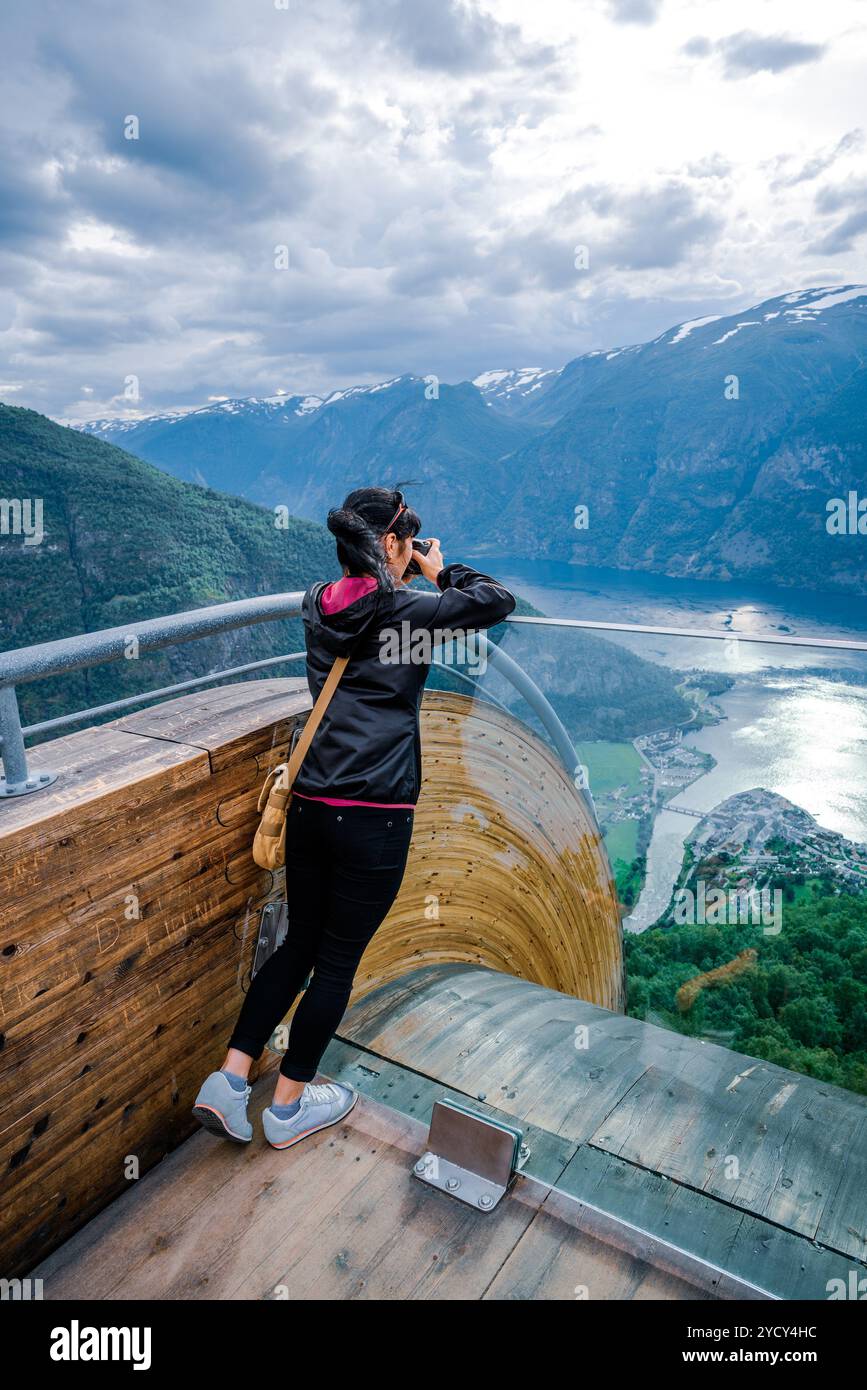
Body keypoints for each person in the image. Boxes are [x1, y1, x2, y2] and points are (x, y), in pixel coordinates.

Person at [193, 485, 516, 1149]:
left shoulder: (317, 604)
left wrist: (403, 569)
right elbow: (494, 602)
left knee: (298, 944)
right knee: (337, 963)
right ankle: (287, 1109)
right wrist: (438, 570)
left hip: (311, 802)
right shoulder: (409, 612)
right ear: (392, 544)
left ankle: (228, 1081)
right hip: (375, 815)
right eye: (408, 540)